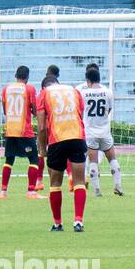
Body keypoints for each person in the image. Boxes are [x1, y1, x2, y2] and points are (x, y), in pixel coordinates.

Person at [37, 77, 88, 232]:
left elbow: (41, 127)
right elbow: (80, 114)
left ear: (44, 86)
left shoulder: (44, 94)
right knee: (79, 182)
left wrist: (43, 148)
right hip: (77, 137)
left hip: (57, 140)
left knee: (55, 183)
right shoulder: (75, 91)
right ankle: (78, 221)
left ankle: (58, 223)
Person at [0, 65, 42, 200]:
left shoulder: (6, 89)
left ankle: (3, 192)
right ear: (27, 77)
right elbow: (35, 111)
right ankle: (31, 191)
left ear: (15, 76)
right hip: (25, 131)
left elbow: (5, 111)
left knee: (9, 160)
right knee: (34, 159)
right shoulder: (29, 89)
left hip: (11, 130)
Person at [82, 63, 123, 197]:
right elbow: (109, 110)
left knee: (93, 162)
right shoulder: (108, 92)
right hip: (105, 132)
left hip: (90, 133)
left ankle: (97, 190)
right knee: (112, 159)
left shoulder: (84, 93)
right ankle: (118, 185)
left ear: (88, 80)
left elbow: (81, 111)